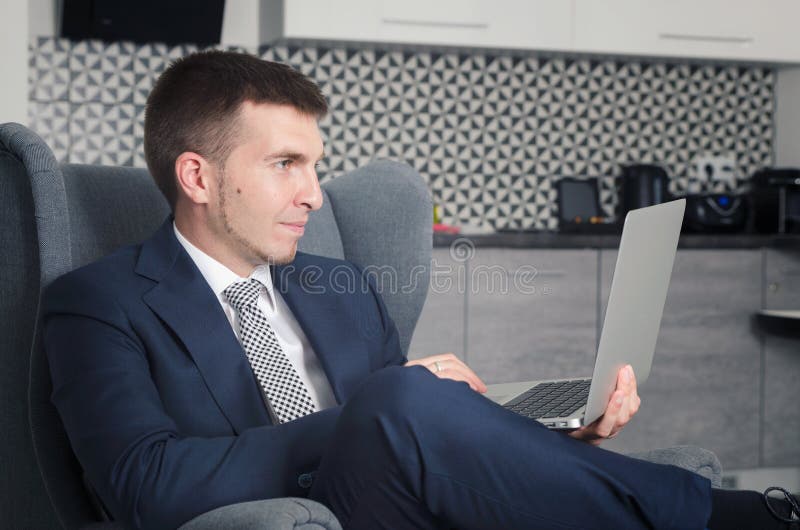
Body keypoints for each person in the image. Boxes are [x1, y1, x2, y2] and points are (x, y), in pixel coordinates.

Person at [42, 50, 799, 530]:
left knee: (420, 400)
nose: (313, 193)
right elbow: (140, 485)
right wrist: (361, 414)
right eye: (285, 164)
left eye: (316, 164)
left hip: (408, 502)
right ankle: (739, 518)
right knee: (399, 396)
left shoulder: (338, 285)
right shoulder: (97, 304)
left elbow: (424, 443)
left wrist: (557, 435)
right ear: (198, 176)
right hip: (310, 506)